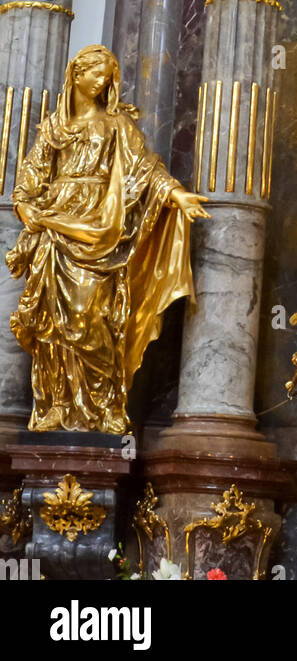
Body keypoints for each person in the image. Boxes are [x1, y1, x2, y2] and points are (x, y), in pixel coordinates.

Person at [6, 44, 209, 433]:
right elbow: (28, 182)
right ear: (77, 74)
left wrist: (175, 194)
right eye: (96, 74)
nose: (103, 82)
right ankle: (57, 407)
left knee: (91, 317)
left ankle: (101, 407)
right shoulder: (53, 128)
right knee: (53, 326)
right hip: (55, 232)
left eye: (108, 76)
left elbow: (146, 171)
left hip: (101, 232)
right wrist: (26, 208)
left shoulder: (117, 126)